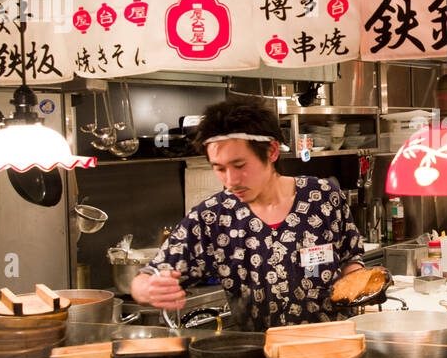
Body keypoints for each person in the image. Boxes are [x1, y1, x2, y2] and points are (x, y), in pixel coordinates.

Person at [130, 98, 365, 331]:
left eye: (240, 165)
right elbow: (145, 278)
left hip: (334, 348)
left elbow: (351, 259)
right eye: (220, 168)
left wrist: (360, 284)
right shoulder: (213, 217)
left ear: (271, 151)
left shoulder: (322, 197)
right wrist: (148, 288)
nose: (231, 180)